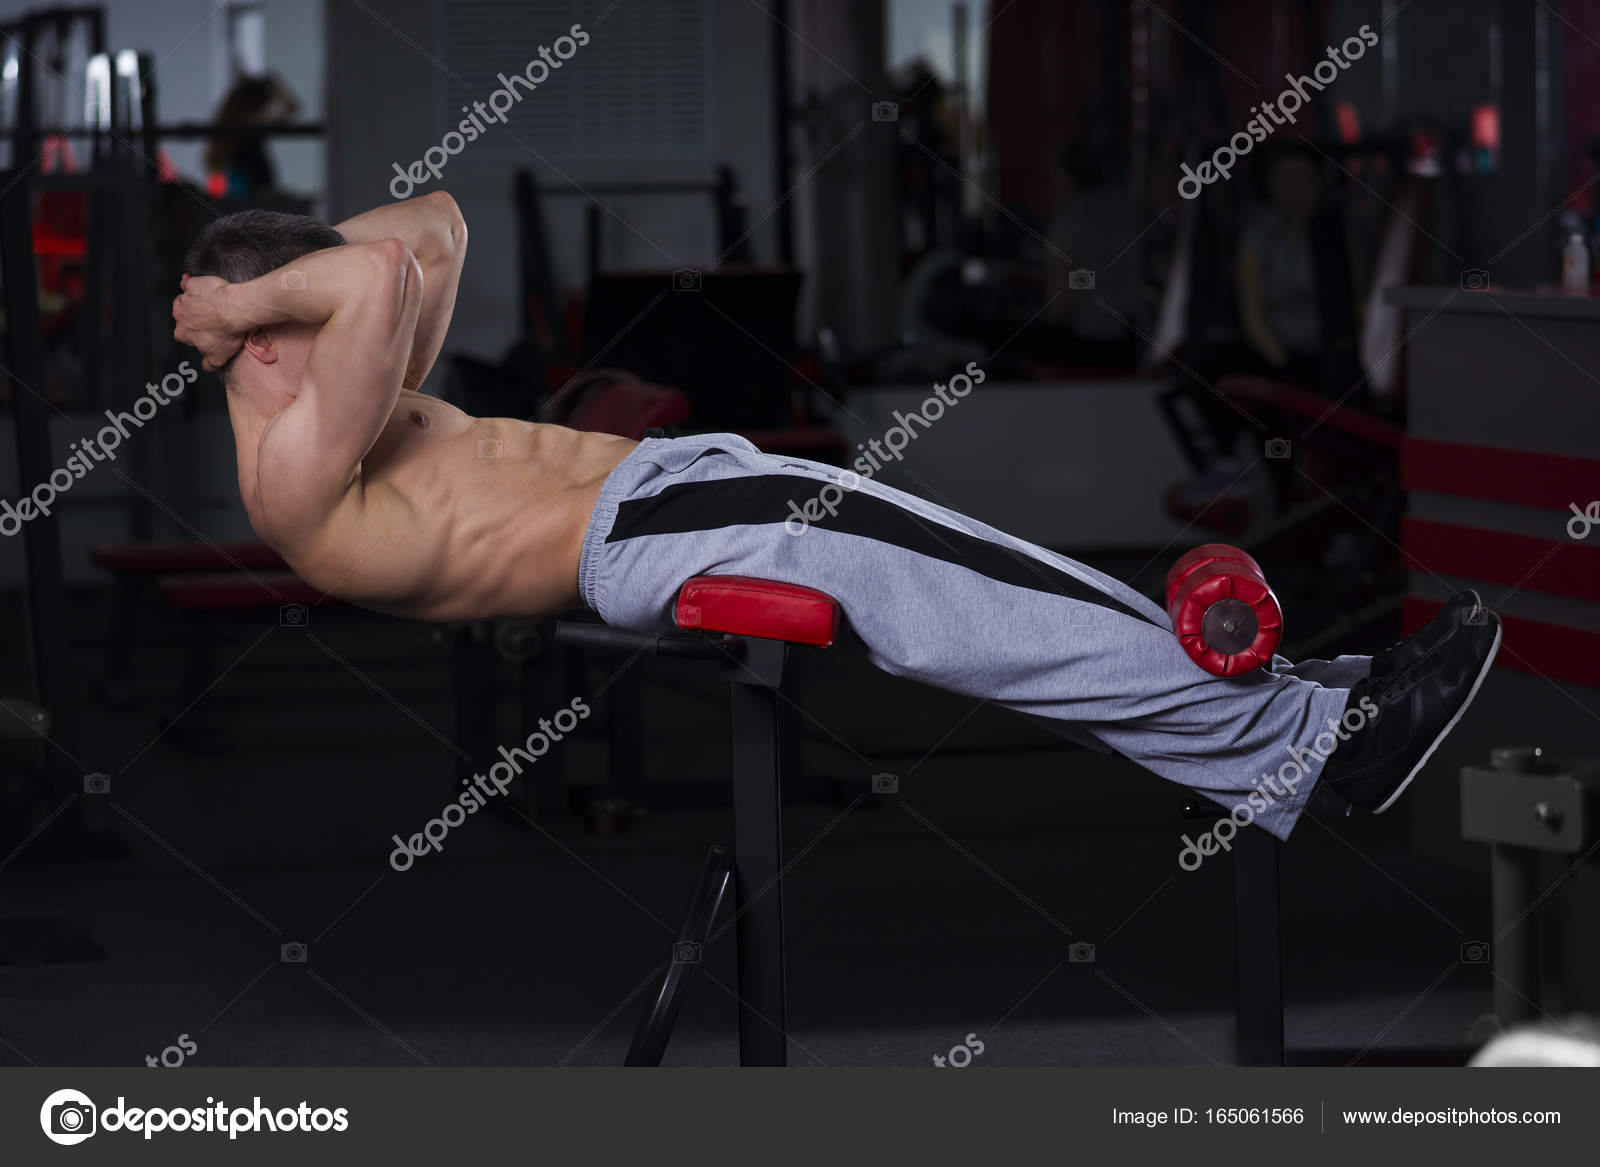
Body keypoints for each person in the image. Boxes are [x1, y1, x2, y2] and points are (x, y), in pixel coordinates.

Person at [171, 195, 1501, 842]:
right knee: (960, 598)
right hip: (645, 538)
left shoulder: (328, 390)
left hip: (667, 495)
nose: (337, 319)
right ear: (259, 339)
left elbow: (435, 230)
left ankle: (1289, 715)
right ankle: (1302, 742)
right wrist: (241, 306)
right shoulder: (295, 462)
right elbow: (386, 269)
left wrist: (263, 290)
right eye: (285, 313)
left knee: (965, 565)